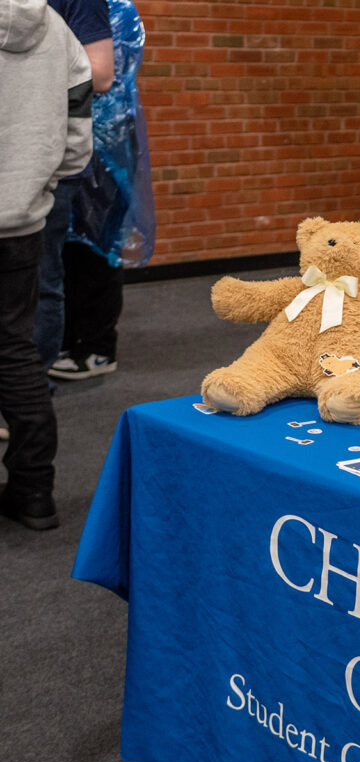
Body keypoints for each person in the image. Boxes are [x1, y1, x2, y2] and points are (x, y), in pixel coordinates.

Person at [0, 0, 94, 529]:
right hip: (22, 219)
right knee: (15, 351)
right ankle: (34, 492)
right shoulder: (56, 27)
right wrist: (43, 185)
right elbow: (78, 133)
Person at [51, 0, 154, 381]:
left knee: (95, 246)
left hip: (103, 143)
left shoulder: (96, 5)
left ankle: (95, 347)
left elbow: (102, 76)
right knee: (71, 246)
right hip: (88, 135)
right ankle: (70, 339)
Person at [33, 0, 112, 373]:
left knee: (41, 279)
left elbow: (100, 76)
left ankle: (28, 393)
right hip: (40, 164)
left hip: (48, 166)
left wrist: (58, 173)